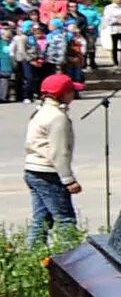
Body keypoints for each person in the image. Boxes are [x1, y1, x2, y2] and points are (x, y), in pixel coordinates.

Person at [23, 71, 82, 242]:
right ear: (62, 94)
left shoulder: (41, 111)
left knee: (41, 220)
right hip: (49, 173)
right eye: (71, 91)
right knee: (66, 220)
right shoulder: (57, 117)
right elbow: (59, 152)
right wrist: (68, 179)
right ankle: (71, 259)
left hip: (32, 170)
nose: (74, 95)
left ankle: (32, 257)